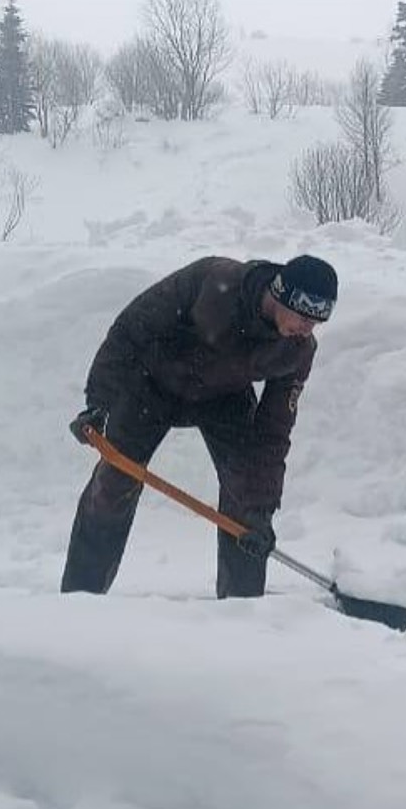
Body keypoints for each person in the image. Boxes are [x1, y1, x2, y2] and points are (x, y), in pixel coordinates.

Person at [62, 252, 337, 600]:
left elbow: (274, 430)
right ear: (280, 293)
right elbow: (130, 331)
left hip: (224, 398)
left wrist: (263, 507)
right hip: (150, 385)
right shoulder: (215, 282)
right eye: (302, 316)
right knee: (113, 484)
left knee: (248, 510)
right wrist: (98, 403)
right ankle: (78, 598)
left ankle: (242, 612)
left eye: (316, 323)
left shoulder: (296, 351)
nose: (305, 329)